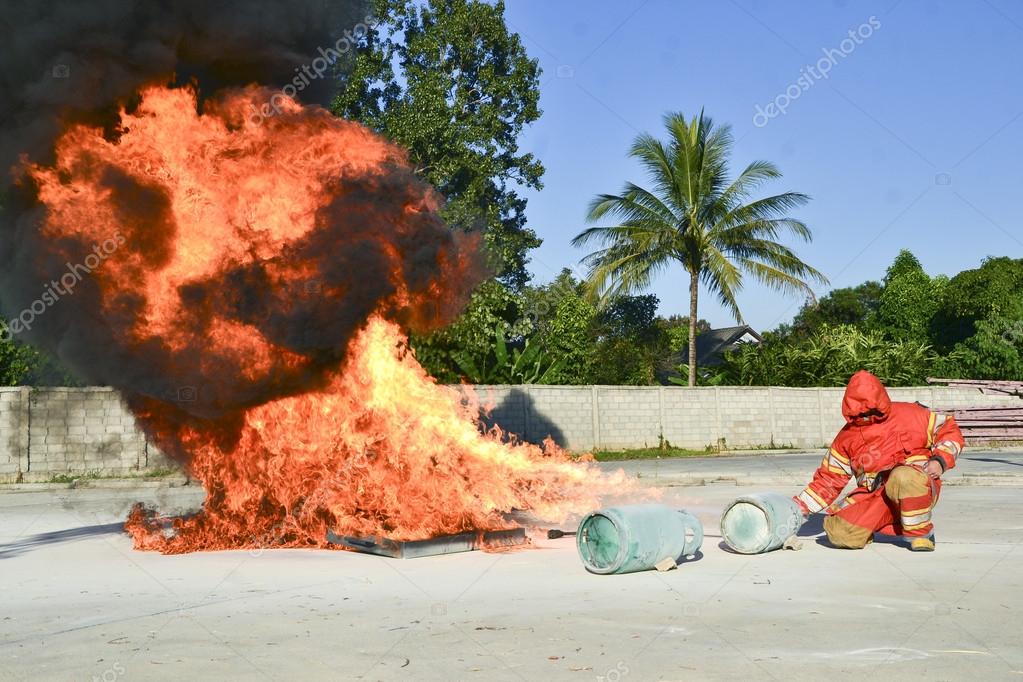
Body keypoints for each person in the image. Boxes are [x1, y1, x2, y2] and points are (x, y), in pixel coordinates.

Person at [793, 370, 964, 552]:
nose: (867, 415)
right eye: (860, 411)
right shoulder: (846, 438)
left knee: (902, 476)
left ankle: (921, 534)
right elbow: (828, 480)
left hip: (916, 486)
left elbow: (948, 428)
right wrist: (798, 508)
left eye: (872, 410)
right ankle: (892, 525)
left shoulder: (911, 414)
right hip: (876, 495)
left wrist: (940, 460)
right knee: (838, 531)